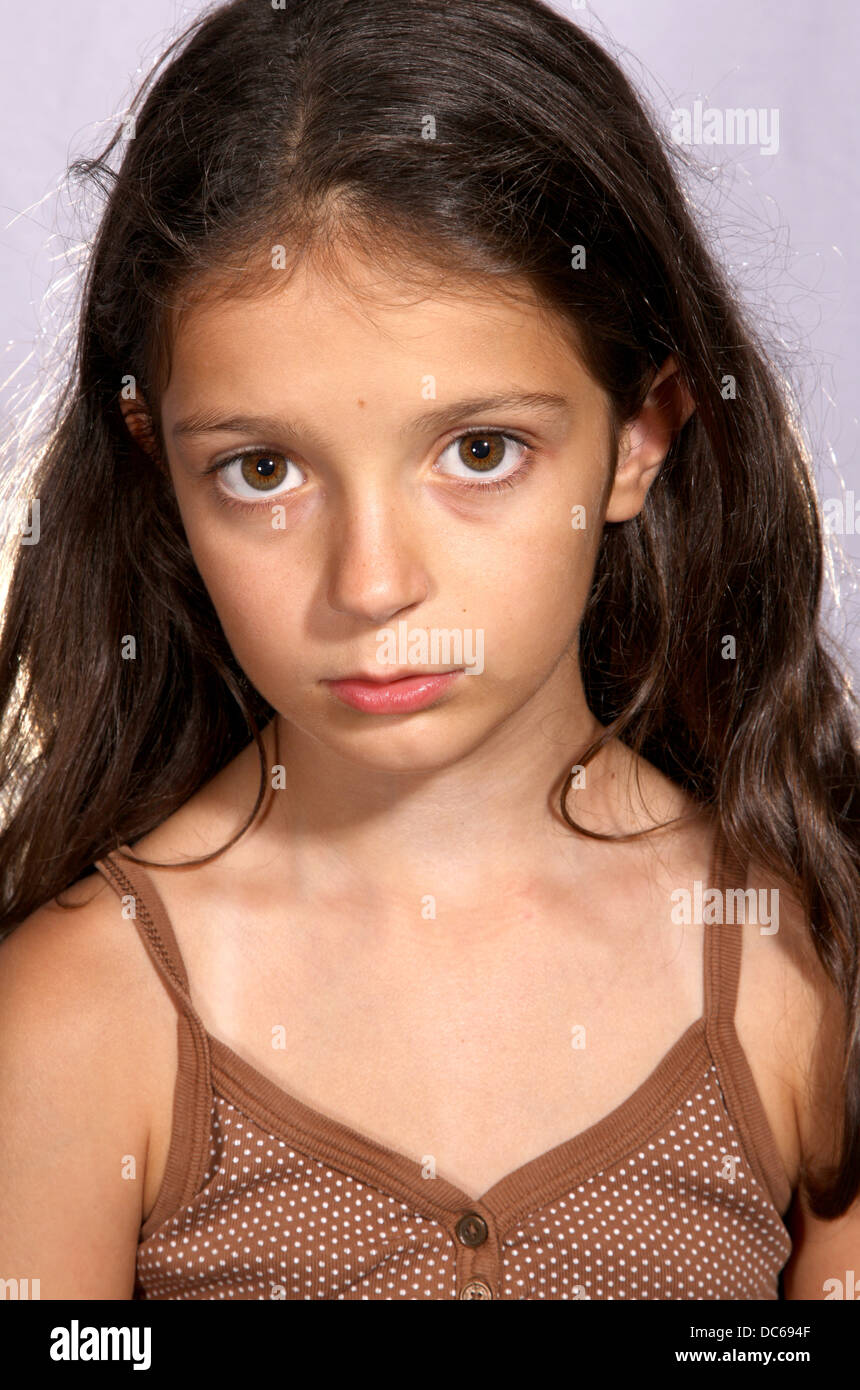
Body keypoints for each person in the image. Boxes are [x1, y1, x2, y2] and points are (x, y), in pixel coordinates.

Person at [0, 0, 857, 1301]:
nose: (372, 582)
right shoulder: (76, 1013)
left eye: (478, 451)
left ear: (640, 433)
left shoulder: (803, 964)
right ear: (159, 470)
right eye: (264, 467)